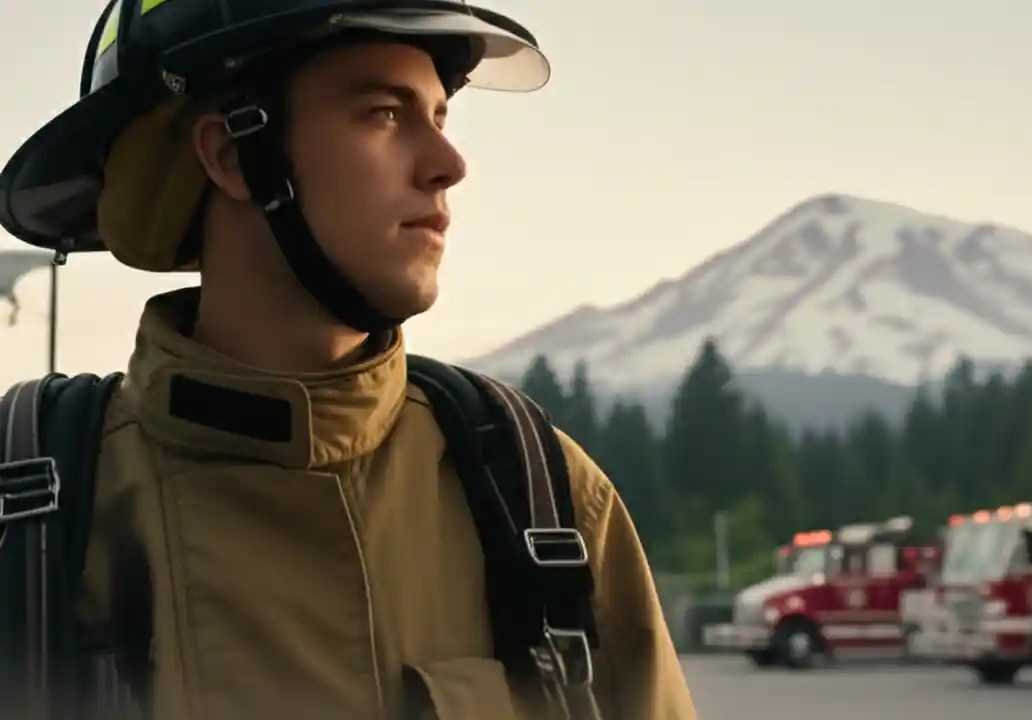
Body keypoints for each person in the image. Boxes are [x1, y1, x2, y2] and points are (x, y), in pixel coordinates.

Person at [0, 1, 697, 718]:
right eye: (385, 114)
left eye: (439, 117)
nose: (448, 165)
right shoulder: (39, 522)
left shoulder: (540, 499)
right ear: (234, 155)